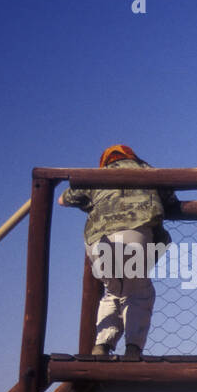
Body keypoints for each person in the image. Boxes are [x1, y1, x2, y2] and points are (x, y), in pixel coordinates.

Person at [59, 145, 177, 359]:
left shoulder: (96, 176)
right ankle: (133, 348)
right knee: (139, 291)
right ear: (132, 156)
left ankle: (101, 346)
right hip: (135, 233)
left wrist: (94, 202)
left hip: (97, 241)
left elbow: (62, 200)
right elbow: (171, 200)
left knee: (112, 291)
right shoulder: (147, 170)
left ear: (106, 161)